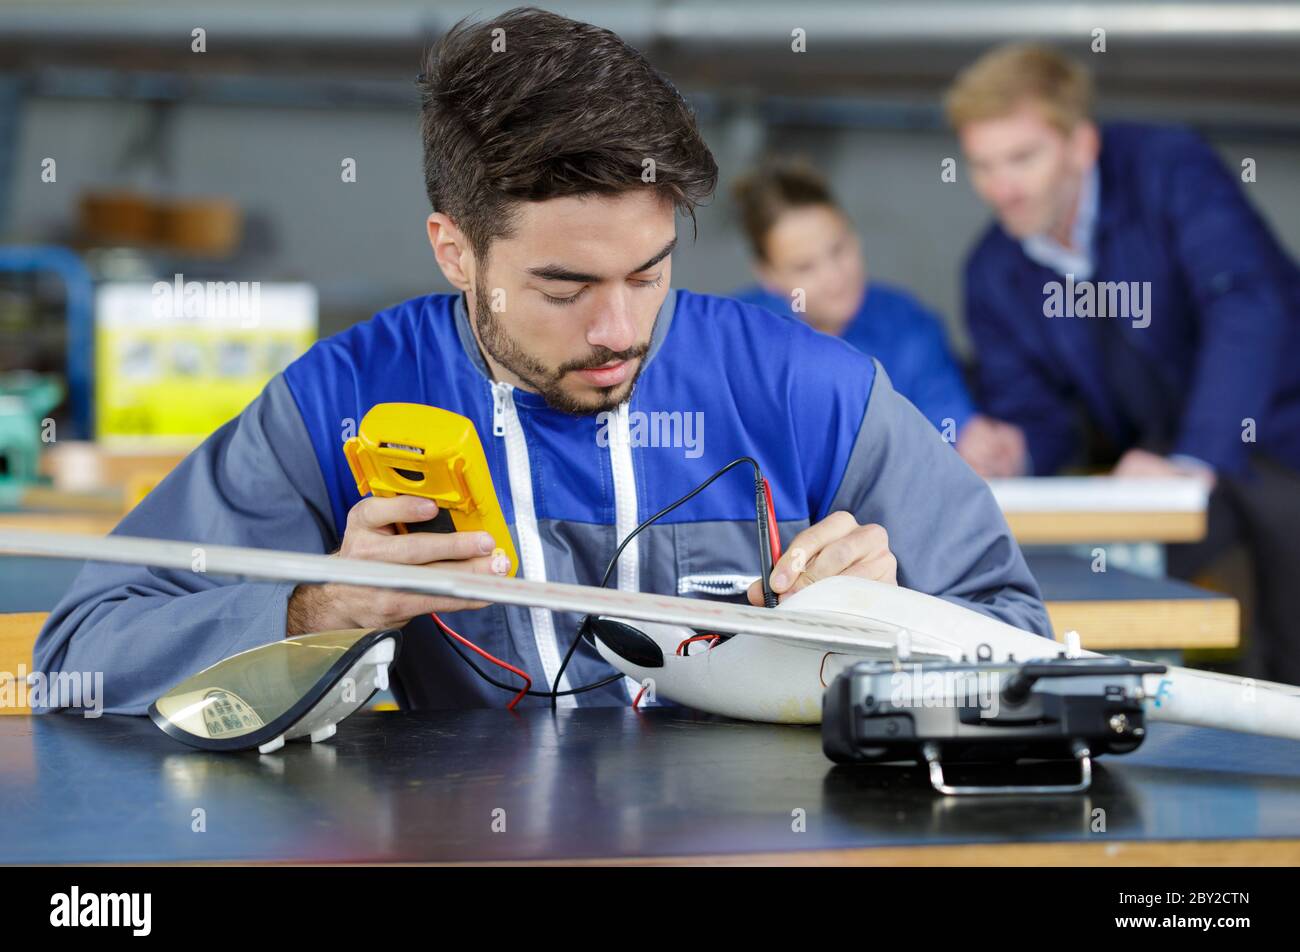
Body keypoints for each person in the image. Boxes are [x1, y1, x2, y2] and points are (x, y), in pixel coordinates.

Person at [33, 8, 1048, 716]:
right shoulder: (338, 402)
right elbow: (77, 654)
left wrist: (890, 619)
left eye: (649, 271)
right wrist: (314, 607)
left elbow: (1015, 636)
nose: (620, 328)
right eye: (564, 288)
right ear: (454, 251)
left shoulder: (805, 389)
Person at [947, 43, 1300, 683]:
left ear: (1081, 145)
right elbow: (1041, 412)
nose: (1002, 189)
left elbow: (1246, 304)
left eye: (1022, 158)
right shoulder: (991, 272)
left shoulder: (1171, 168)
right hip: (1167, 453)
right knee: (1095, 584)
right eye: (981, 165)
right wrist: (1015, 449)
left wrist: (1196, 455)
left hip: (1277, 421)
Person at [730, 159, 1013, 455]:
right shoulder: (736, 338)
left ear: (855, 237)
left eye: (838, 249)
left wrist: (979, 447)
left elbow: (949, 429)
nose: (834, 277)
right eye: (805, 267)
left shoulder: (908, 324)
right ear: (768, 275)